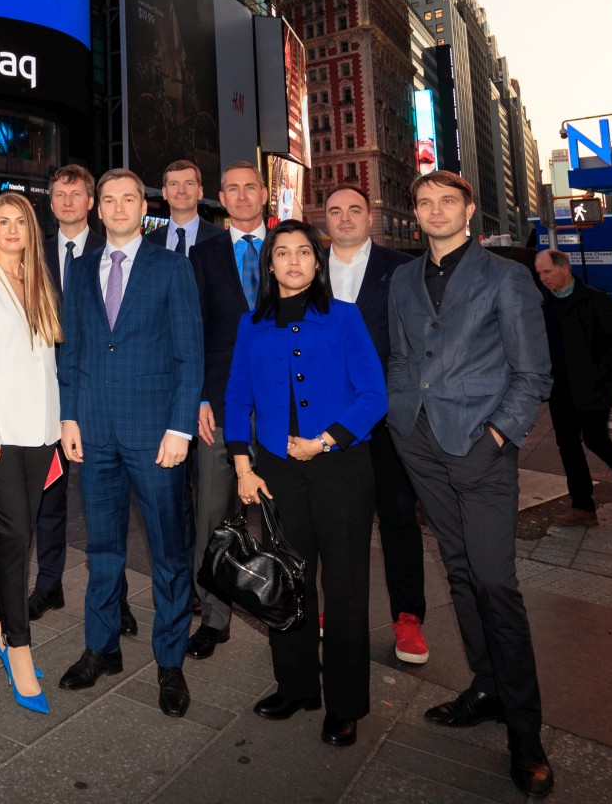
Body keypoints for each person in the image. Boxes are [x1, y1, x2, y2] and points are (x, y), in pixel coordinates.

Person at [385, 171, 554, 797]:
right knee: (456, 568)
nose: (434, 210)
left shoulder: (506, 278)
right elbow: (402, 357)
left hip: (481, 446)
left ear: (469, 211)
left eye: (446, 202)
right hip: (420, 443)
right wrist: (401, 418)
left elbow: (533, 373)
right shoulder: (402, 278)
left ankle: (525, 732)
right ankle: (485, 685)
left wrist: (499, 437)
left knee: (493, 581)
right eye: (424, 202)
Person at [226, 219, 387, 747]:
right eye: (282, 253)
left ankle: (344, 703)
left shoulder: (343, 317)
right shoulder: (252, 323)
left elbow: (373, 395)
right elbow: (237, 399)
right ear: (268, 265)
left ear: (317, 264)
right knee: (287, 583)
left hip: (340, 468)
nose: (293, 261)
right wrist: (243, 467)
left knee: (343, 588)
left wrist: (326, 439)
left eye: (302, 253)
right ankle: (296, 685)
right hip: (276, 472)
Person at [56, 168, 203, 720]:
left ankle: (170, 661)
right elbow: (69, 353)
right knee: (102, 550)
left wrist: (180, 428)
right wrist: (69, 418)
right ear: (97, 209)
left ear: (146, 207)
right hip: (94, 432)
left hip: (155, 434)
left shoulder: (172, 268)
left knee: (167, 551)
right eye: (109, 199)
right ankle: (102, 647)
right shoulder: (79, 267)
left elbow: (190, 354)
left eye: (129, 198)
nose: (118, 207)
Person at [0, 191, 63, 714]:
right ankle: (17, 648)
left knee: (12, 535)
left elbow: (47, 364)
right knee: (18, 534)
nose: (13, 228)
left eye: (20, 220)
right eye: (3, 221)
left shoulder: (39, 280)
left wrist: (60, 428)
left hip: (41, 431)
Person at [323, 184, 430, 665]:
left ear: (371, 217)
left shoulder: (402, 270)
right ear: (324, 219)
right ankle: (334, 611)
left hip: (387, 419)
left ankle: (408, 618)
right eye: (335, 211)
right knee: (333, 522)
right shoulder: (305, 267)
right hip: (323, 420)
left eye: (354, 210)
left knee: (398, 519)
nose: (345, 218)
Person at [29, 164, 129, 633]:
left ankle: (115, 596)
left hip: (99, 394)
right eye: (59, 194)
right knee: (49, 496)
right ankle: (49, 583)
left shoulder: (112, 249)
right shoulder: (34, 251)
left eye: (77, 194)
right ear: (50, 202)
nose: (67, 201)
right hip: (46, 394)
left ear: (92, 202)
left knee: (105, 500)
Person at [182, 160, 269, 660]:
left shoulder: (292, 246)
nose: (240, 196)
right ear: (220, 196)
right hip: (218, 407)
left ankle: (290, 604)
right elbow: (191, 333)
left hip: (284, 410)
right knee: (212, 519)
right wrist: (196, 398)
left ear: (263, 194)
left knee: (290, 518)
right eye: (231, 189)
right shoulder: (203, 253)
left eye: (249, 188)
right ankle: (215, 619)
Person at [535, 250, 612, 528]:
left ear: (565, 269)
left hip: (591, 385)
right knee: (567, 445)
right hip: (559, 386)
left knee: (597, 440)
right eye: (540, 274)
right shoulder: (544, 305)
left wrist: (597, 372)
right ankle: (583, 507)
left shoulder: (594, 299)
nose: (543, 278)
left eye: (547, 272)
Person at [146, 159, 207, 255]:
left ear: (200, 192)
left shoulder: (223, 240)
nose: (181, 191)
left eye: (189, 184)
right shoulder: (147, 243)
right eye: (174, 184)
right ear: (164, 193)